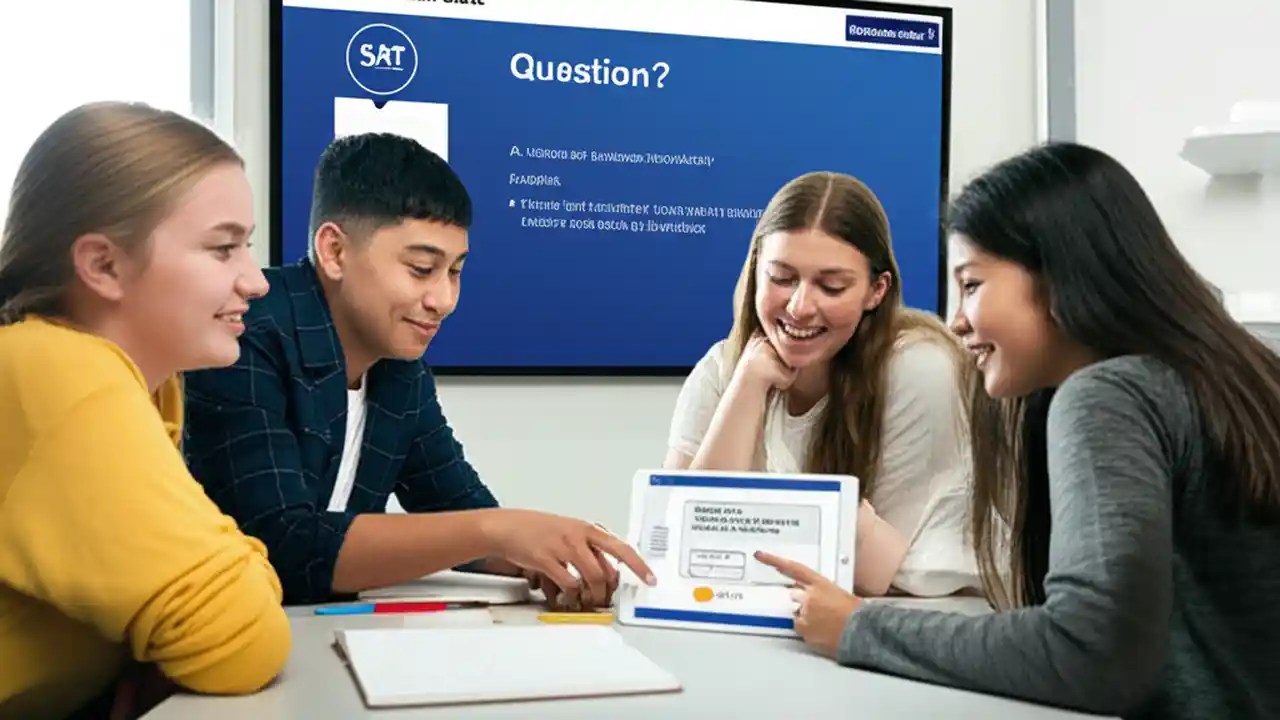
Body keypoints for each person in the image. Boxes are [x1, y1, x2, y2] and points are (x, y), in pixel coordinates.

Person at [756, 143, 1280, 720]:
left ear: (1058, 276)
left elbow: (1091, 652)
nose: (956, 321)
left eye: (971, 285)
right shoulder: (1237, 375)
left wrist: (858, 625)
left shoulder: (1109, 396)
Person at [182, 132, 655, 608]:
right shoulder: (245, 335)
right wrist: (497, 530)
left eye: (455, 271)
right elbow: (280, 546)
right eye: (421, 268)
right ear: (335, 251)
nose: (444, 300)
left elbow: (456, 509)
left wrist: (543, 554)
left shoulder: (399, 369)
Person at [0, 102, 290, 720]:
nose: (256, 281)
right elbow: (241, 639)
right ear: (103, 265)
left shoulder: (147, 386)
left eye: (247, 246)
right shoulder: (60, 372)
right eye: (223, 249)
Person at [665, 170, 978, 597]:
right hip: (781, 614)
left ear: (876, 290)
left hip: (912, 615)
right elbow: (680, 545)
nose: (799, 307)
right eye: (781, 278)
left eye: (831, 287)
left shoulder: (920, 370)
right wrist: (748, 388)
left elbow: (877, 574)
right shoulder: (724, 367)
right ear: (756, 271)